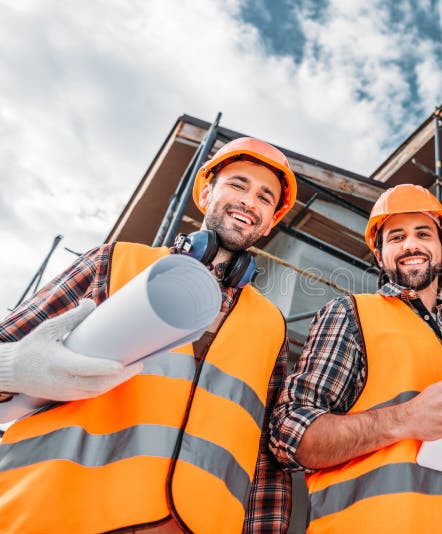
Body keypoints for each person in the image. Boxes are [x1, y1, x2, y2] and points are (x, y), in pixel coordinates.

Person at [0, 137, 297, 533]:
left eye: (264, 197)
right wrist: (13, 367)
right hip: (57, 511)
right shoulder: (116, 261)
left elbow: (263, 460)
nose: (249, 201)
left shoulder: (269, 325)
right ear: (207, 193)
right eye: (238, 185)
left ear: (271, 221)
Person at [271, 184, 442, 533]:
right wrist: (405, 419)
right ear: (379, 254)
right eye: (396, 237)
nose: (410, 245)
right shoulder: (351, 314)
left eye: (422, 233)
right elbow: (289, 434)